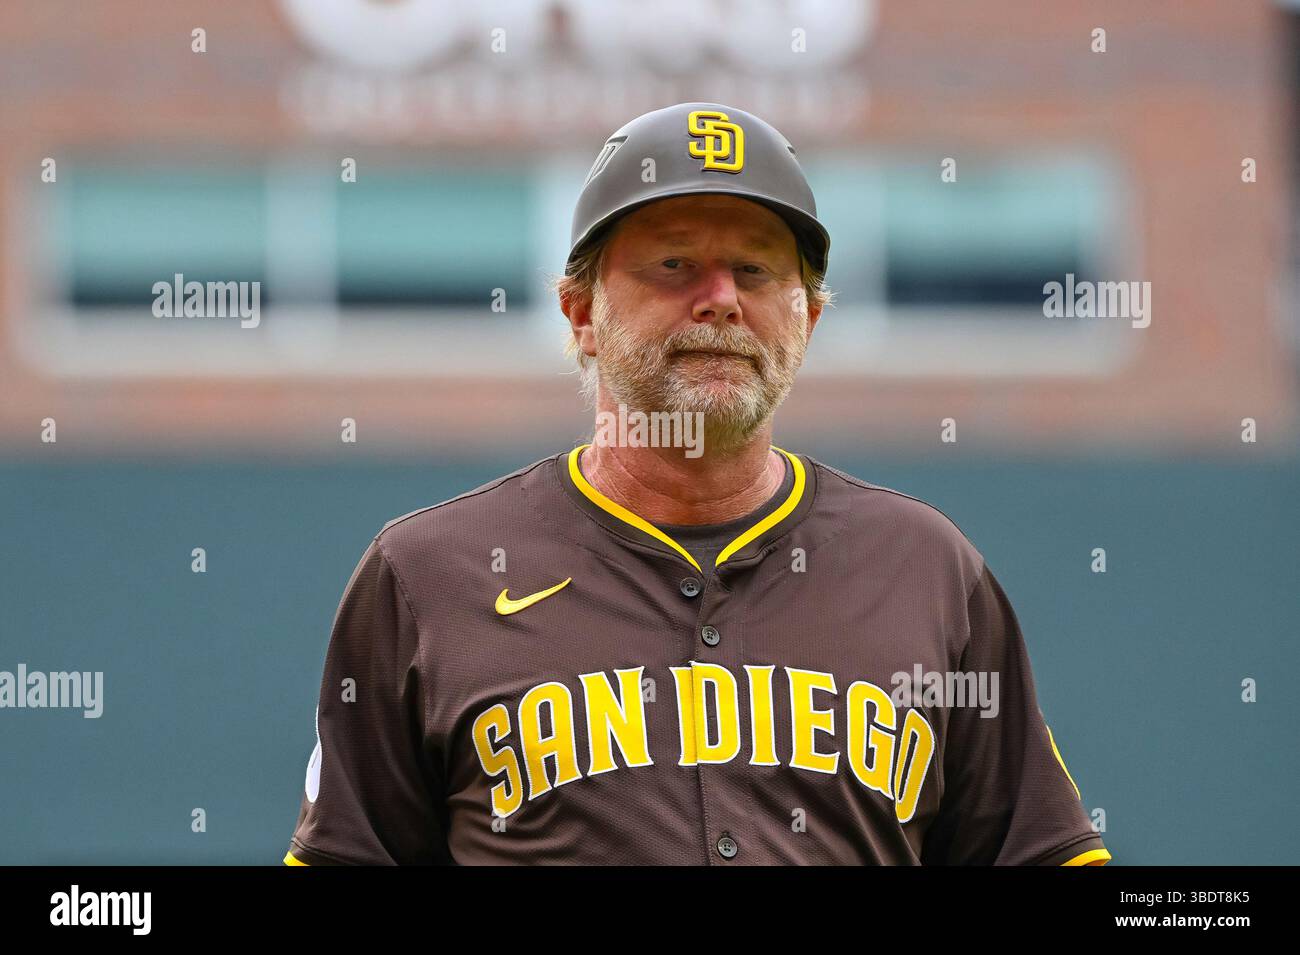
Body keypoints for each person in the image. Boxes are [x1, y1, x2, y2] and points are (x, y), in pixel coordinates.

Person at [284, 103, 1109, 866]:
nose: (719, 301)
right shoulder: (429, 575)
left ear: (808, 320)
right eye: (675, 263)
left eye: (754, 271)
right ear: (580, 314)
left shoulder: (927, 568)